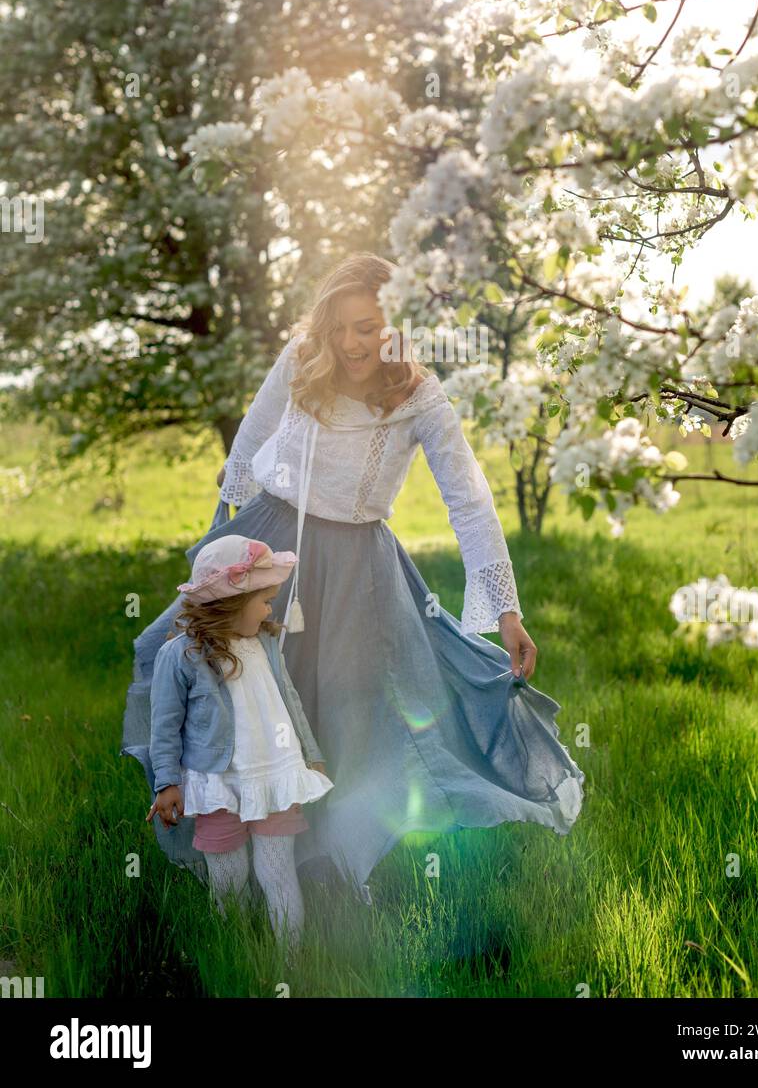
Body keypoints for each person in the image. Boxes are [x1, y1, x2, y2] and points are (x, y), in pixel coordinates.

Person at [121, 251, 584, 907]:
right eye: (340, 327)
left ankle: (336, 864)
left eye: (366, 326)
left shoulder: (421, 399)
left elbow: (469, 502)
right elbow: (251, 440)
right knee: (198, 669)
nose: (350, 342)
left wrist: (505, 611)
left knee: (343, 712)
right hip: (271, 540)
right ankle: (221, 839)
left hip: (359, 567)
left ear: (397, 324)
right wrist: (221, 537)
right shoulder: (304, 359)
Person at [145, 533, 333, 947]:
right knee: (228, 879)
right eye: (264, 600)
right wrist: (166, 782)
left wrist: (310, 754)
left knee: (277, 872)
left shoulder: (264, 643)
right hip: (218, 783)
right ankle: (237, 954)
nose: (270, 609)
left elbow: (290, 699)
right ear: (231, 602)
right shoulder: (181, 656)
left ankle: (290, 960)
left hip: (275, 775)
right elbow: (164, 726)